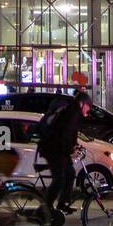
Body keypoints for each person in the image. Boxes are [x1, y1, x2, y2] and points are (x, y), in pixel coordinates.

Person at [38, 90, 90, 218]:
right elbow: (64, 135)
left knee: (70, 173)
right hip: (53, 149)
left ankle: (62, 203)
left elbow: (70, 134)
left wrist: (75, 145)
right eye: (88, 106)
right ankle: (43, 210)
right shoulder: (71, 113)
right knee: (59, 179)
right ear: (82, 103)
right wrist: (70, 151)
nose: (89, 110)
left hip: (58, 149)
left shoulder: (72, 112)